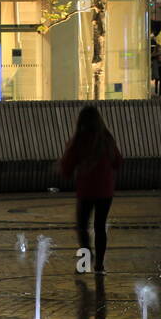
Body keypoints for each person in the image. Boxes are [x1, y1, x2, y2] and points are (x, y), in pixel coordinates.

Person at [59, 106, 124, 274]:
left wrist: (64, 170)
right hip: (105, 190)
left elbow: (67, 166)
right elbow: (118, 161)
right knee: (100, 227)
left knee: (82, 226)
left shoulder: (78, 141)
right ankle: (99, 266)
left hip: (86, 190)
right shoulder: (106, 139)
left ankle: (86, 259)